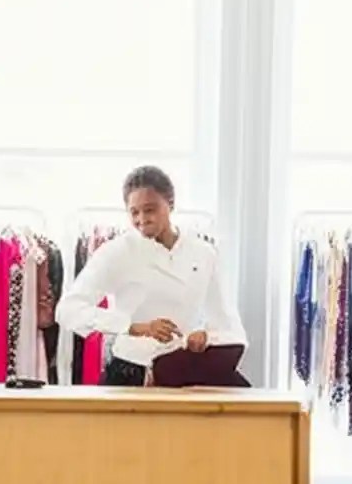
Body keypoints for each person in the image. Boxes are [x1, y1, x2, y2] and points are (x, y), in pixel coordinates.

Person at [56, 165, 248, 386]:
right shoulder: (117, 252)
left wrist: (207, 337)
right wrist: (134, 327)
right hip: (130, 372)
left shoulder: (204, 253)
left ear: (171, 203)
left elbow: (226, 323)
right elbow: (68, 310)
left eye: (150, 210)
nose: (142, 219)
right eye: (134, 212)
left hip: (181, 372)